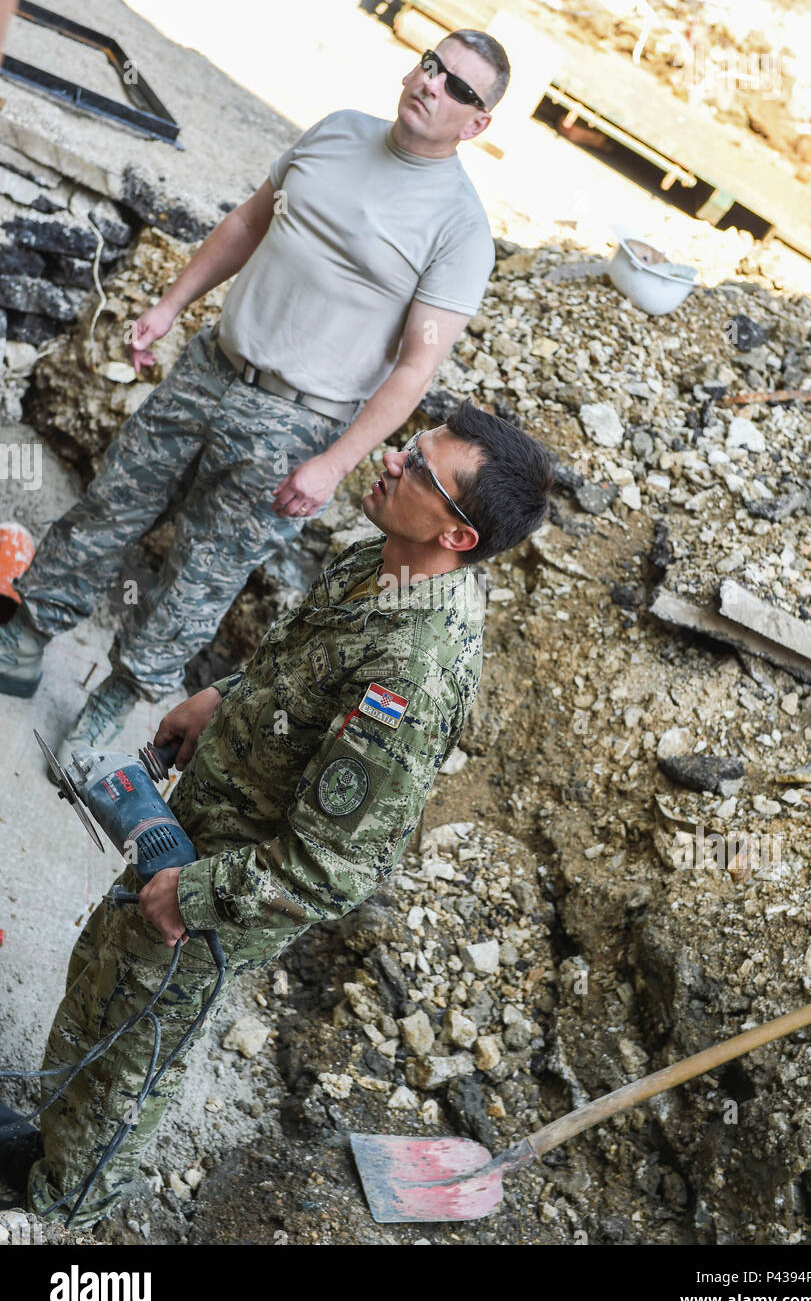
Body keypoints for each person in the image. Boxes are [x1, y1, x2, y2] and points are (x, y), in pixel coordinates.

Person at [0, 400, 554, 1229]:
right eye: (408, 447)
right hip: (205, 827)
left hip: (230, 888)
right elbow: (298, 657)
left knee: (135, 1047)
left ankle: (60, 1205)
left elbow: (333, 867)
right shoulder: (382, 558)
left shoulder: (411, 671)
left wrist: (193, 895)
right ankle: (49, 1146)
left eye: (418, 470)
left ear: (458, 536)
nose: (391, 462)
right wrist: (221, 698)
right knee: (105, 978)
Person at [0, 31, 510, 767]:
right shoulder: (337, 131)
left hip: (296, 423)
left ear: (476, 122)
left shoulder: (459, 228)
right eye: (431, 65)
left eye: (459, 87)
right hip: (214, 365)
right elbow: (247, 222)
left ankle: (114, 705)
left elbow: (413, 367)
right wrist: (172, 305)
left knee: (202, 573)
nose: (433, 85)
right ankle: (25, 639)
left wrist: (334, 464)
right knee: (110, 505)